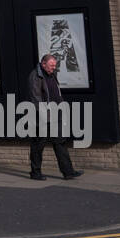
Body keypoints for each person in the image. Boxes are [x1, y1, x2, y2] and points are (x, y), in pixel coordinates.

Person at [27, 53, 83, 181]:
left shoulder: (51, 74)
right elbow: (36, 99)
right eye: (51, 66)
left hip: (55, 115)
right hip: (42, 117)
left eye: (55, 66)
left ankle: (68, 172)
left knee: (60, 142)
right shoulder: (35, 76)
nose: (53, 68)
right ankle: (35, 172)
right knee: (38, 145)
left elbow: (56, 93)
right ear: (43, 64)